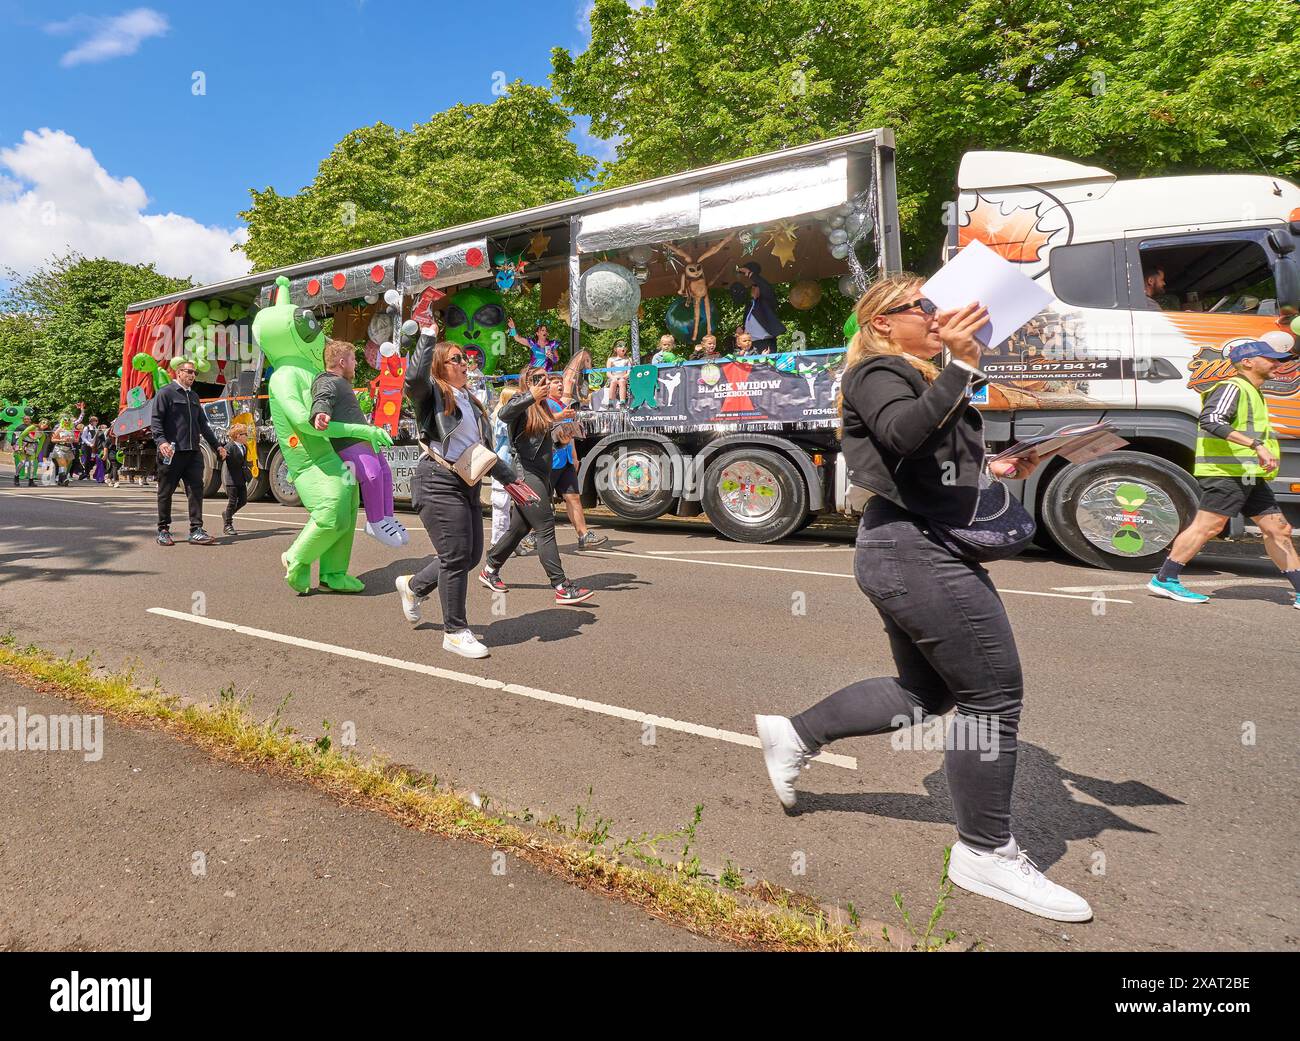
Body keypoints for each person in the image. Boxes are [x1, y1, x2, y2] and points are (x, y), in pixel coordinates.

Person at [753, 273, 1092, 923]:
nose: (939, 315)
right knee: (991, 694)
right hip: (915, 553)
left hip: (911, 548)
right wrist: (963, 362)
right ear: (884, 322)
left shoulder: (920, 373)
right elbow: (903, 433)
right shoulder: (877, 371)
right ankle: (985, 852)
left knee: (926, 694)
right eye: (925, 307)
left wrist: (1000, 465)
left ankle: (793, 734)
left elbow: (924, 459)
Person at [395, 332, 531, 658]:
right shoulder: (432, 393)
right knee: (456, 556)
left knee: (469, 557)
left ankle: (414, 587)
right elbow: (413, 378)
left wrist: (511, 481)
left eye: (465, 358)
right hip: (437, 482)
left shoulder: (471, 400)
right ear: (440, 365)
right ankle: (455, 631)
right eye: (456, 358)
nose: (465, 363)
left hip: (467, 483)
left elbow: (481, 452)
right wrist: (426, 337)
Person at [1149, 339, 1300, 608]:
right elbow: (1211, 420)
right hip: (1225, 473)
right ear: (1248, 362)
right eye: (1271, 359)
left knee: (1278, 529)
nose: (1278, 364)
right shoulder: (1233, 387)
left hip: (1247, 473)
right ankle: (1165, 579)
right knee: (1209, 527)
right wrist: (1256, 446)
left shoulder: (1253, 391)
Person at [478, 368, 595, 606]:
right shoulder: (519, 402)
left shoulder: (542, 408)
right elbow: (504, 415)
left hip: (542, 476)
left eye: (546, 377)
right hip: (526, 475)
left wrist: (561, 439)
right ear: (526, 382)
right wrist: (531, 394)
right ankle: (561, 586)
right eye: (537, 378)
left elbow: (542, 441)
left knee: (518, 529)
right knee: (545, 527)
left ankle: (490, 568)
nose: (543, 381)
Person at [311, 339, 407, 548]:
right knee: (371, 475)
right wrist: (320, 412)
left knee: (385, 473)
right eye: (353, 359)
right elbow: (322, 397)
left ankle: (387, 518)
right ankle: (375, 522)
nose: (356, 364)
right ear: (342, 362)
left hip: (363, 439)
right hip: (348, 442)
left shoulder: (342, 383)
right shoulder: (326, 380)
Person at [150, 359, 224, 546]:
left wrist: (217, 446)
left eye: (194, 373)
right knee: (166, 492)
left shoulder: (194, 397)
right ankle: (163, 530)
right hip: (171, 453)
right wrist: (161, 442)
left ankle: (196, 530)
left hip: (193, 452)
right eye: (188, 372)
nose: (192, 375)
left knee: (196, 490)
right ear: (178, 372)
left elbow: (203, 425)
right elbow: (156, 421)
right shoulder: (165, 393)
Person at [545, 370, 608, 550]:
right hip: (550, 460)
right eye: (554, 382)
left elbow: (569, 433)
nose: (559, 385)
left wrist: (574, 456)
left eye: (560, 382)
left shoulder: (563, 405)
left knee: (573, 497)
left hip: (565, 460)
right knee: (541, 502)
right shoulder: (544, 405)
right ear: (546, 386)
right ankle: (526, 536)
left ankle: (583, 535)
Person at [490, 385, 519, 549]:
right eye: (516, 399)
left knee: (514, 507)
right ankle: (498, 542)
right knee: (501, 505)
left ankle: (511, 542)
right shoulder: (502, 419)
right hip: (502, 465)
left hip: (514, 465)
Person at [737, 260, 787, 351]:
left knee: (766, 365)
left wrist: (749, 273)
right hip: (750, 344)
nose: (752, 288)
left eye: (755, 286)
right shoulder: (750, 304)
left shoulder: (766, 301)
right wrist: (741, 328)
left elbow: (766, 287)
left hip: (765, 343)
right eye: (752, 286)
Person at [220, 423, 252, 535]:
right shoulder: (229, 447)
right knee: (232, 502)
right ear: (238, 436)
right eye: (245, 434)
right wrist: (222, 455)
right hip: (231, 480)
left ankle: (227, 514)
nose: (247, 436)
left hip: (241, 479)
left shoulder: (244, 447)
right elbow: (222, 458)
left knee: (243, 501)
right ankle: (228, 525)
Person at [606, 342, 631, 409]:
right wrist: (613, 377)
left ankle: (622, 402)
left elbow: (629, 372)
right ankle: (610, 402)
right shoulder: (610, 360)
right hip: (613, 377)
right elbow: (608, 373)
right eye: (620, 346)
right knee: (613, 381)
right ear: (615, 349)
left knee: (622, 381)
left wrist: (624, 376)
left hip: (623, 378)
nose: (623, 348)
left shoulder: (628, 359)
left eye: (624, 346)